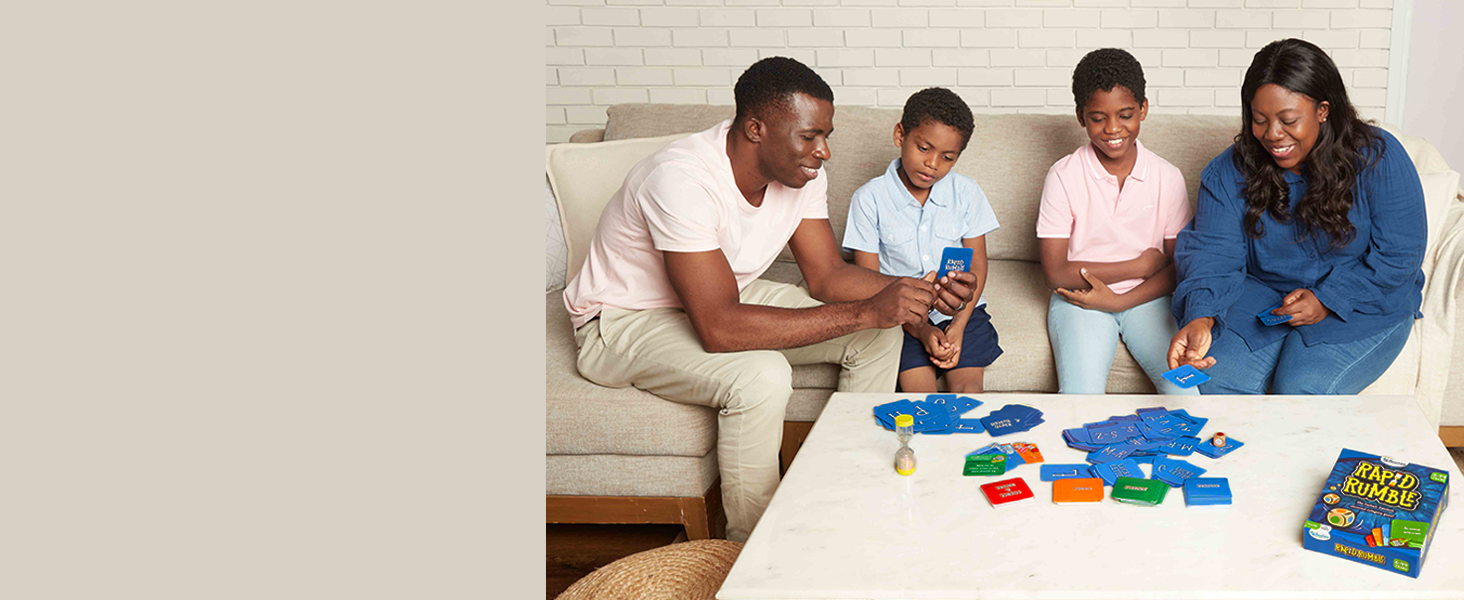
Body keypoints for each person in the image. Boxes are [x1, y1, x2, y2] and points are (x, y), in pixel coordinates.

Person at [562, 57, 978, 542]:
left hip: (720, 293)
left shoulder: (804, 173)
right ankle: (755, 549)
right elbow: (720, 328)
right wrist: (869, 307)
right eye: (809, 136)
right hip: (620, 319)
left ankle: (842, 495)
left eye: (826, 135)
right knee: (761, 375)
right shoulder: (681, 179)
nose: (823, 151)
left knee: (878, 334)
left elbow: (825, 277)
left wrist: (919, 295)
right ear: (756, 128)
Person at [1167, 38, 1426, 394]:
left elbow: (1400, 256)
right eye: (1259, 120)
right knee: (1215, 385)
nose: (1272, 135)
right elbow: (1213, 254)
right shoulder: (1226, 171)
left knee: (1301, 390)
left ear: (1323, 110)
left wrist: (1326, 300)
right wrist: (1201, 315)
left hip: (1362, 302)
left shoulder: (1378, 158)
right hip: (1261, 299)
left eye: (1288, 120)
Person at [1036, 48, 1198, 396]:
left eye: (1125, 114)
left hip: (1150, 299)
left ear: (1143, 108)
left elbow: (1179, 266)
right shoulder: (1063, 176)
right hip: (1079, 300)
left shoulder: (1166, 177)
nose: (1112, 129)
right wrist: (1138, 264)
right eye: (1098, 117)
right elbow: (1055, 273)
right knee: (1080, 398)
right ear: (1081, 117)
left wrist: (1122, 300)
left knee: (1186, 393)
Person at [842, 87, 1002, 394]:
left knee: (969, 394)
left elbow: (978, 264)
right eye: (924, 148)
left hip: (961, 315)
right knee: (920, 399)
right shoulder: (869, 199)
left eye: (947, 157)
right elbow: (868, 281)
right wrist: (923, 329)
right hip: (900, 320)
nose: (932, 164)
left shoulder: (966, 193)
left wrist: (957, 326)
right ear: (900, 135)